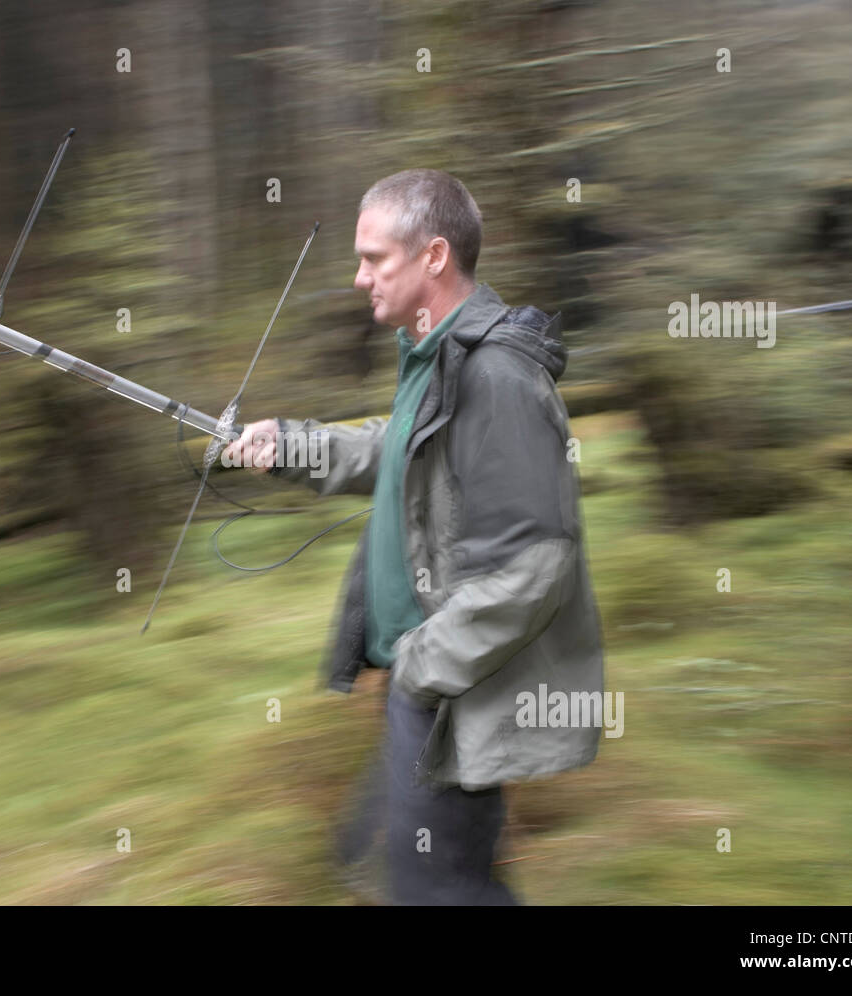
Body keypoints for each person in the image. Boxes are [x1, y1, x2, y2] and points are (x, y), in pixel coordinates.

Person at [223, 168, 605, 905]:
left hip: (448, 685)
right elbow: (395, 448)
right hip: (423, 680)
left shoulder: (494, 376)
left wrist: (425, 667)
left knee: (433, 889)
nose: (358, 275)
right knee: (378, 859)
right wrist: (292, 445)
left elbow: (538, 561)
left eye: (374, 258)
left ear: (433, 256)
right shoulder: (434, 354)